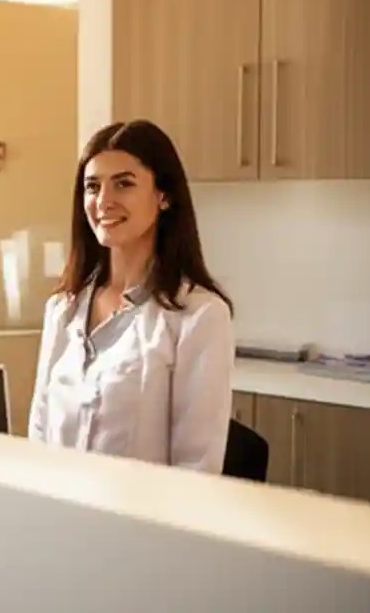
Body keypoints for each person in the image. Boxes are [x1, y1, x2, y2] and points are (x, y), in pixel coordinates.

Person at [28, 119, 235, 473]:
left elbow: (197, 470)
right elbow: (39, 437)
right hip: (60, 520)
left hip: (140, 524)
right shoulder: (62, 309)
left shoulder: (199, 317)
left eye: (123, 184)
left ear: (163, 196)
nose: (103, 201)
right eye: (92, 187)